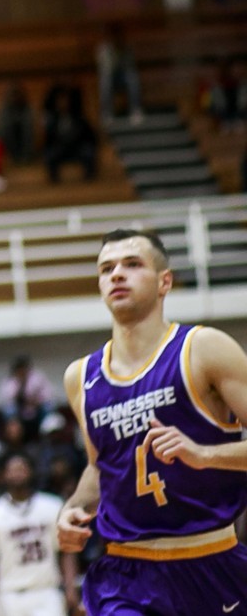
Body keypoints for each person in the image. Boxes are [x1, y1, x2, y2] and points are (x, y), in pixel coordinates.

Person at [56, 229, 247, 616]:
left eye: (132, 264)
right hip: (126, 572)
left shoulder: (204, 349)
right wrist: (73, 506)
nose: (117, 275)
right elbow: (99, 467)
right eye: (106, 268)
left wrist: (204, 454)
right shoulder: (81, 376)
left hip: (209, 560)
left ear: (165, 282)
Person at [0, 454, 74, 616]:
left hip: (46, 592)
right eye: (12, 470)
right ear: (3, 475)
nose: (17, 474)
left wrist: (70, 589)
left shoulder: (53, 506)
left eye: (21, 469)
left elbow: (66, 552)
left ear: (31, 472)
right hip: (8, 595)